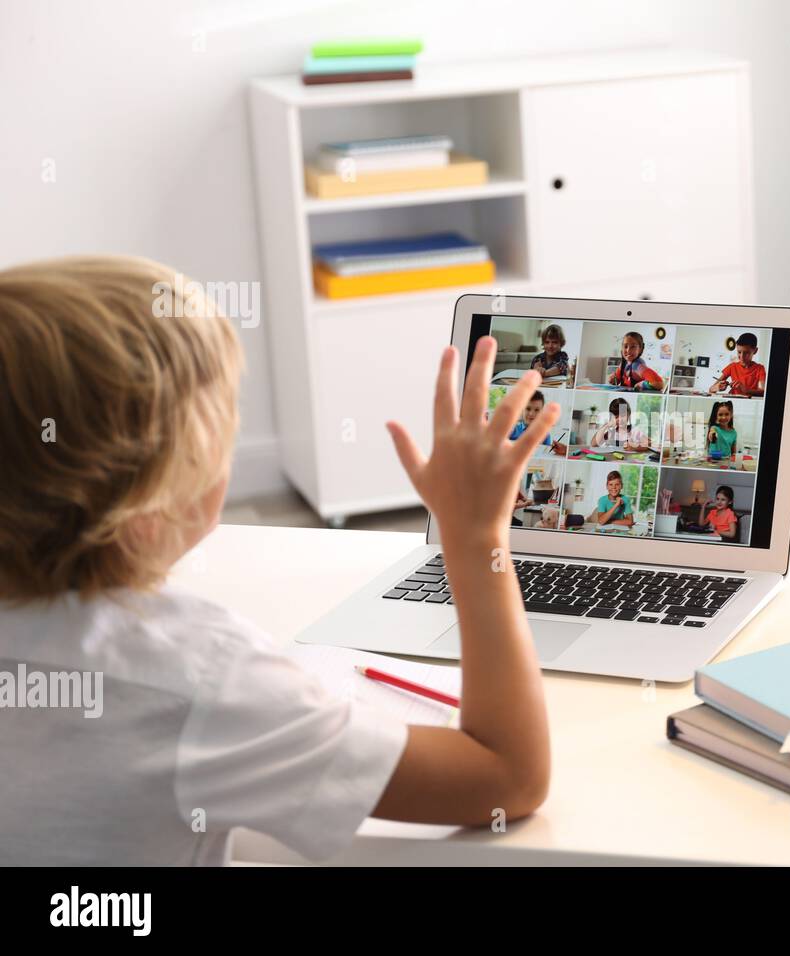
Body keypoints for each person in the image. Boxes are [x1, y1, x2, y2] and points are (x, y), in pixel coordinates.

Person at [0, 256, 558, 864]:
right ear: (163, 484)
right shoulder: (201, 679)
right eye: (225, 414)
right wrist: (476, 537)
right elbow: (506, 777)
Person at [508, 391, 566, 455]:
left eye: (537, 410)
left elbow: (547, 454)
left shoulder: (545, 435)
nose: (531, 414)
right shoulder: (513, 430)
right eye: (528, 409)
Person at [709, 332, 766, 397]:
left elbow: (762, 391)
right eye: (739, 352)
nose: (742, 356)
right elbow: (711, 389)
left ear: (755, 350)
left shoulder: (760, 368)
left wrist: (746, 390)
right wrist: (717, 387)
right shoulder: (732, 366)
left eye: (746, 353)